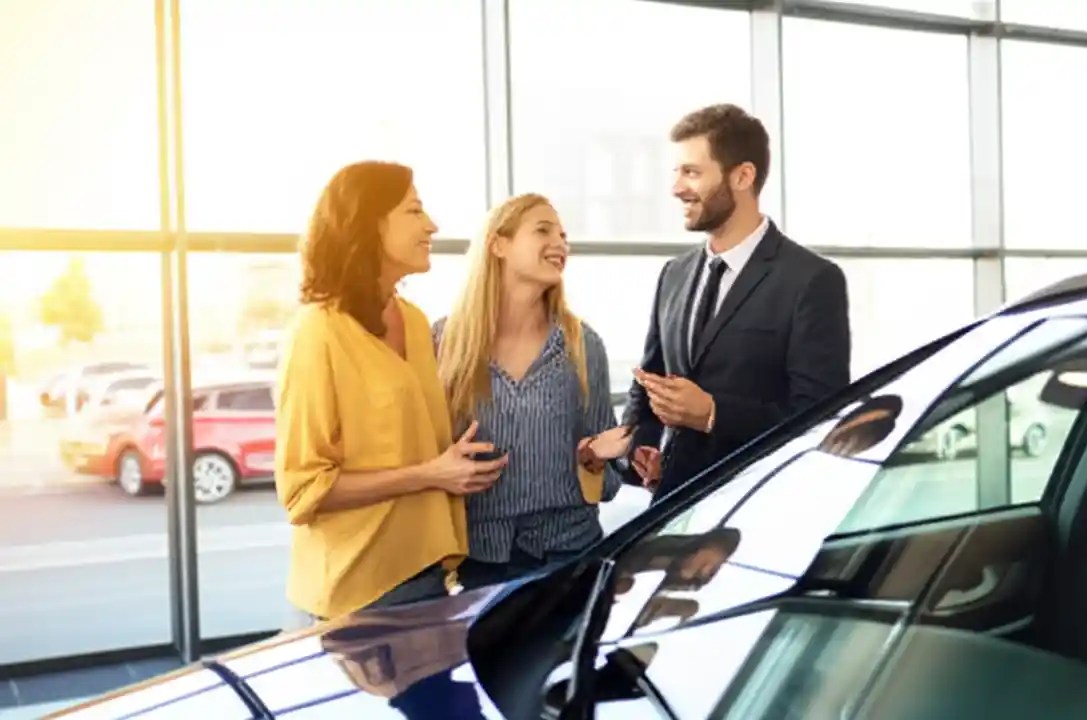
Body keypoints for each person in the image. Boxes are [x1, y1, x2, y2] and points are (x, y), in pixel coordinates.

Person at [275, 161, 509, 622]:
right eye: (414, 211)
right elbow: (303, 491)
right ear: (368, 222)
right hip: (352, 598)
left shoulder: (416, 323)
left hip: (428, 578)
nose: (432, 226)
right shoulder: (316, 333)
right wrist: (431, 474)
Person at [619, 103, 852, 501]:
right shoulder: (673, 275)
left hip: (759, 509)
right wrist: (642, 450)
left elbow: (819, 415)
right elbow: (648, 386)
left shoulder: (811, 279)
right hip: (671, 511)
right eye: (676, 172)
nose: (676, 187)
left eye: (692, 172)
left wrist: (712, 413)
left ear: (743, 176)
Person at [434, 193, 632, 589]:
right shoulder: (445, 341)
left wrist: (593, 458)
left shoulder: (582, 344)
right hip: (478, 562)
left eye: (563, 235)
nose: (560, 244)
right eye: (543, 230)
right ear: (498, 244)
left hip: (570, 557)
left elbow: (608, 482)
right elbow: (427, 457)